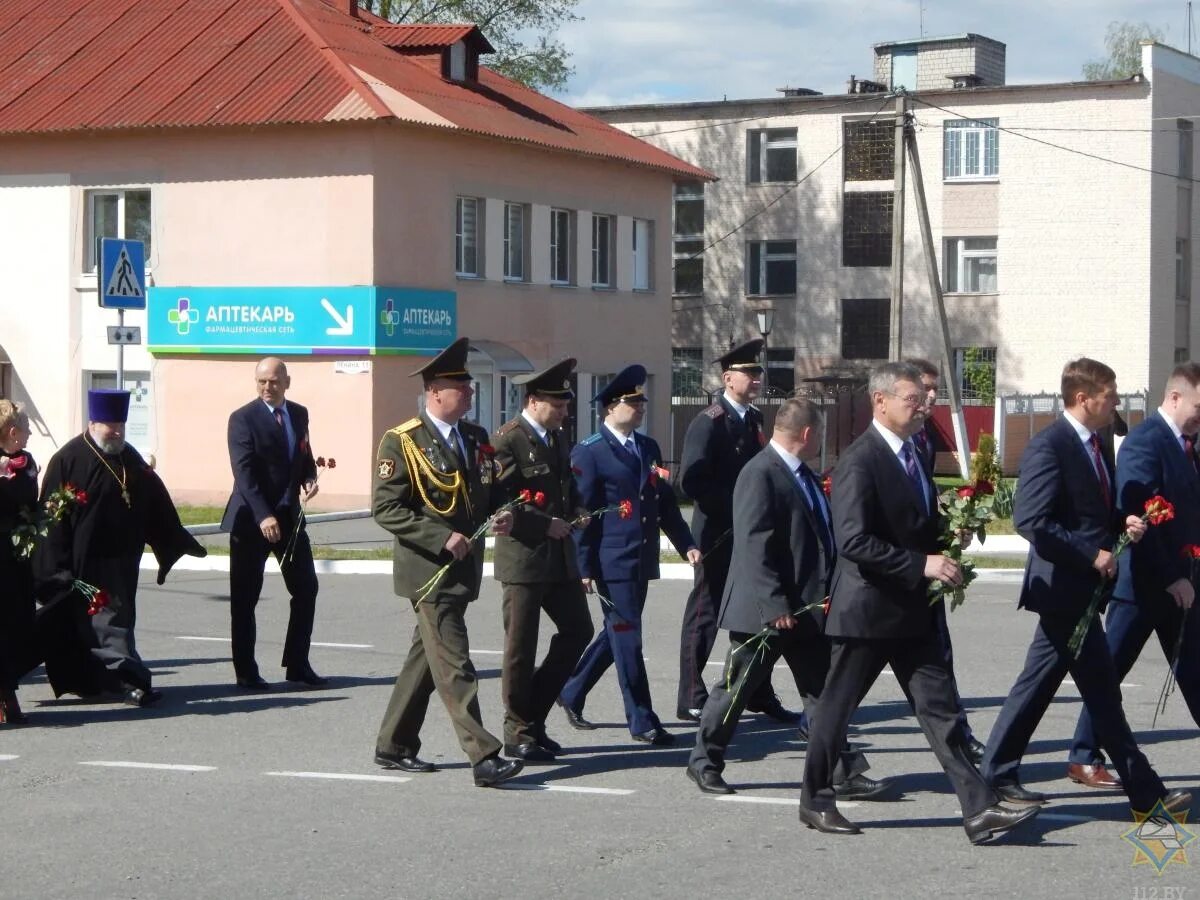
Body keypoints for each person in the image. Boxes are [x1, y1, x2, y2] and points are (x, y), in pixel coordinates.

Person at [799, 362, 1036, 844]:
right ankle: (815, 800)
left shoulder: (914, 453)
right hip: (866, 611)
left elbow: (914, 527)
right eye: (912, 399)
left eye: (923, 400)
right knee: (835, 710)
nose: (921, 407)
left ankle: (979, 807)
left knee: (941, 710)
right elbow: (853, 542)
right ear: (880, 401)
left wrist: (950, 537)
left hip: (911, 611)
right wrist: (920, 564)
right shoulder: (859, 461)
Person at [982, 358, 1192, 817]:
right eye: (1110, 395)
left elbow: (1092, 512)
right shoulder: (1050, 446)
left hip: (1081, 592)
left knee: (1041, 687)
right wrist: (1090, 554)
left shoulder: (1097, 445)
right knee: (1101, 694)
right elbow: (1031, 521)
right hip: (1060, 588)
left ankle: (994, 775)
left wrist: (1124, 523)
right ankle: (1148, 794)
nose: (1115, 402)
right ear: (1083, 398)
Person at [686, 398, 889, 800]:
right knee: (734, 690)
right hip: (767, 611)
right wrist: (775, 605)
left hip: (807, 608)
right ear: (808, 433)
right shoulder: (759, 473)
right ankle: (703, 762)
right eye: (820, 434)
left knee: (823, 694)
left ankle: (840, 770)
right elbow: (754, 545)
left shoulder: (804, 476)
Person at [372, 337, 523, 788]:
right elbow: (387, 507)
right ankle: (484, 756)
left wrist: (505, 512)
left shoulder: (475, 438)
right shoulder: (402, 441)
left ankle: (393, 744)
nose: (471, 393)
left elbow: (492, 492)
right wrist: (441, 537)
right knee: (456, 664)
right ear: (436, 391)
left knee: (426, 659)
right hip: (428, 571)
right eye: (463, 386)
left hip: (463, 569)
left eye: (470, 385)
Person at [1066, 364, 1200, 787]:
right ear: (1175, 397)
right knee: (1109, 673)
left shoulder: (1189, 444)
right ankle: (1083, 756)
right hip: (1142, 587)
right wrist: (1171, 576)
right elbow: (1143, 516)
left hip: (1182, 584)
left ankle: (1084, 753)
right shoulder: (1146, 442)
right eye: (1198, 406)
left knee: (1195, 670)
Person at [34, 389, 205, 706]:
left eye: (120, 425)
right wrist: (55, 568)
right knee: (108, 620)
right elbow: (52, 517)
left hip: (124, 557)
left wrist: (174, 538)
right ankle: (131, 681)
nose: (116, 432)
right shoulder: (69, 460)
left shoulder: (129, 457)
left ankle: (101, 682)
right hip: (86, 561)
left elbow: (156, 500)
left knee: (115, 619)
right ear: (92, 422)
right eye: (109, 425)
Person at [558, 365, 701, 745]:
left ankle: (570, 691)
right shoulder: (589, 453)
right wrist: (584, 565)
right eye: (632, 401)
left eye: (642, 401)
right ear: (608, 408)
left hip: (642, 557)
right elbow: (584, 515)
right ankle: (642, 719)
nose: (640, 407)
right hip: (611, 561)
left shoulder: (647, 448)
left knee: (618, 632)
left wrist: (685, 542)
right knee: (628, 637)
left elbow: (665, 504)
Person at [676, 339, 799, 725]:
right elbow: (690, 482)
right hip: (717, 533)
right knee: (706, 613)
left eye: (759, 373)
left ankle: (757, 691)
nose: (757, 379)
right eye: (750, 373)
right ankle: (692, 696)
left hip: (749, 532)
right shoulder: (709, 421)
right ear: (728, 378)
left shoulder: (754, 419)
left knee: (757, 610)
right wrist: (737, 507)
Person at [491, 358, 595, 762]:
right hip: (525, 560)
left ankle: (532, 715)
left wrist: (579, 511)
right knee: (521, 647)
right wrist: (542, 525)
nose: (566, 412)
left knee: (578, 631)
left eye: (567, 405)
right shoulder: (507, 440)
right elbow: (500, 501)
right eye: (559, 405)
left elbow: (565, 487)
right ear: (534, 402)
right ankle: (518, 731)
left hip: (559, 559)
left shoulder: (555, 436)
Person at [221, 357, 324, 689]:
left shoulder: (299, 413)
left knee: (306, 588)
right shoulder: (242, 419)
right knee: (245, 598)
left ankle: (297, 664)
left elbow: (303, 456)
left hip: (289, 518)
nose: (268, 388)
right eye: (262, 382)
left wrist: (308, 478)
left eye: (274, 382)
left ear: (287, 383)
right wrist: (263, 514)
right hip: (252, 520)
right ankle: (246, 671)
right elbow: (245, 473)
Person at [905, 357, 985, 764]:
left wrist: (953, 526)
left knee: (938, 658)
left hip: (928, 566)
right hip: (899, 574)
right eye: (925, 388)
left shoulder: (923, 438)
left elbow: (925, 496)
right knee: (851, 677)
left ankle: (960, 738)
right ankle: (822, 730)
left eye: (936, 389)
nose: (932, 397)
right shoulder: (889, 440)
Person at [0, 400, 37, 723]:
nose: (28, 436)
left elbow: (28, 497)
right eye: (26, 430)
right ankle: (6, 699)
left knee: (16, 623)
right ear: (13, 432)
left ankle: (8, 693)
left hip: (15, 558)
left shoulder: (26, 463)